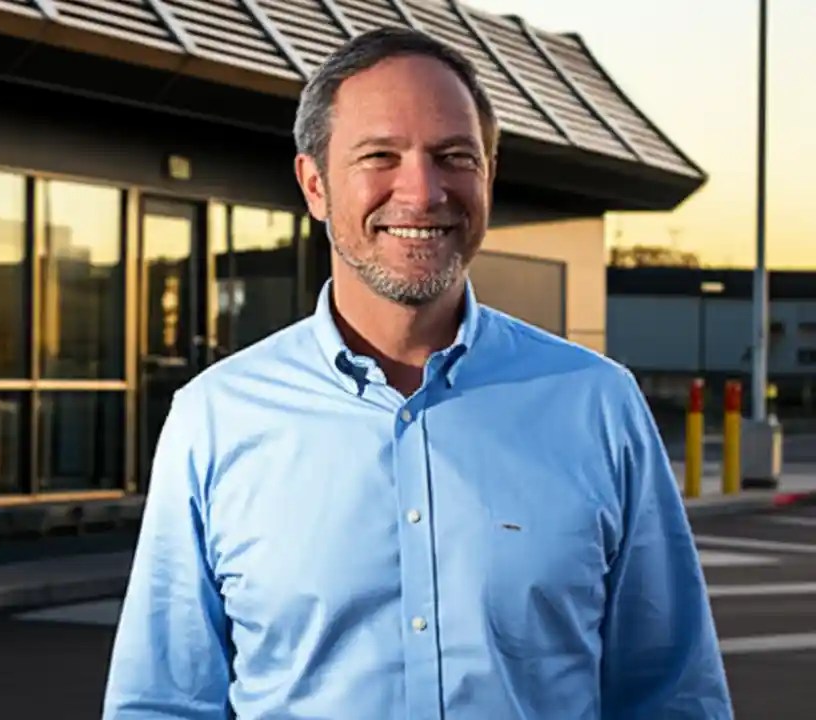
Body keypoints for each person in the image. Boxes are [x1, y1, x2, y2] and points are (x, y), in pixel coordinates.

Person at [101, 26, 732, 720]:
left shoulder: (598, 405)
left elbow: (674, 696)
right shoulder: (215, 420)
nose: (424, 191)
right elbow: (162, 704)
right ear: (314, 185)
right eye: (381, 156)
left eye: (454, 156)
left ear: (488, 175)